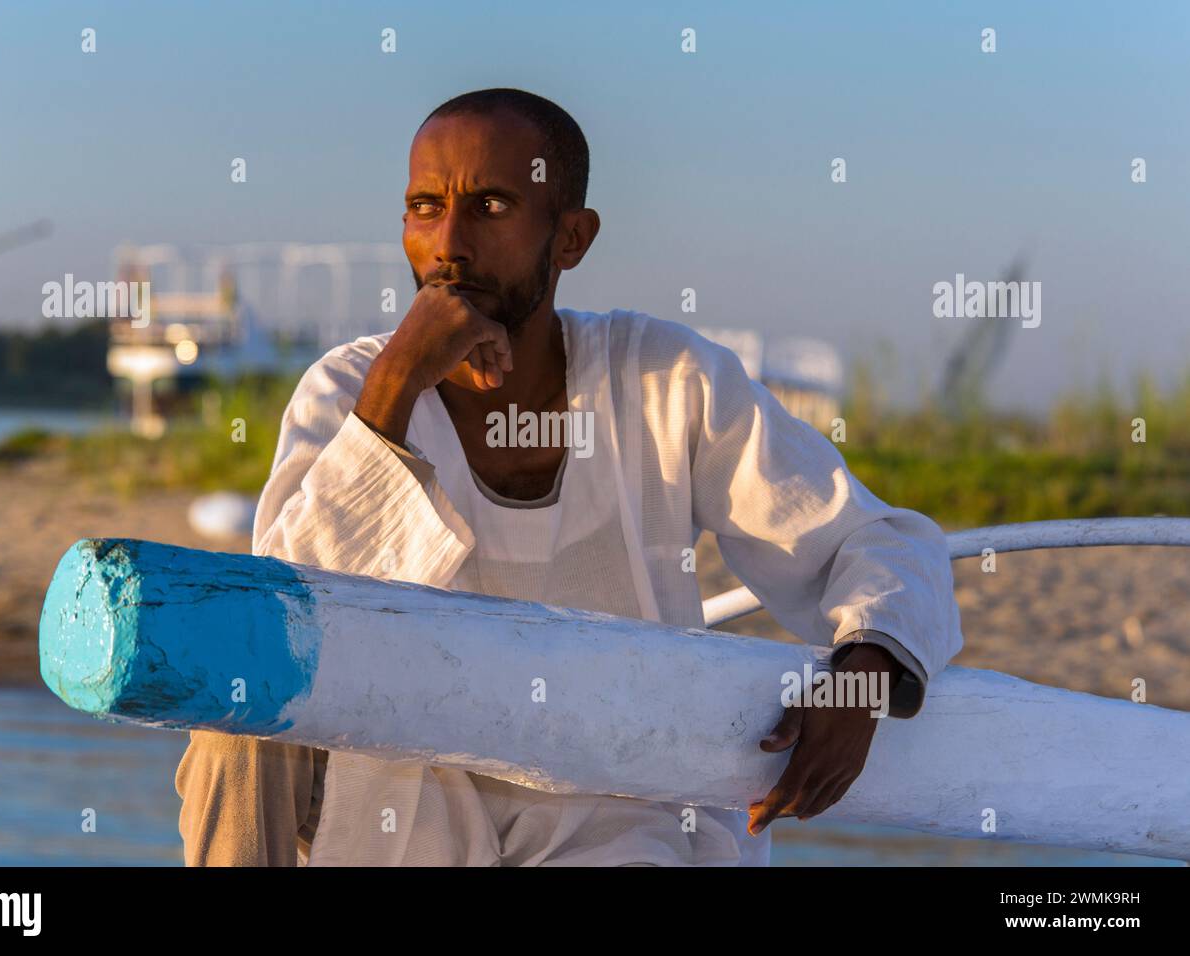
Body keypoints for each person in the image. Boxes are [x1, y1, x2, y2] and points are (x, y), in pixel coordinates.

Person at [175, 87, 963, 866]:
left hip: (613, 816)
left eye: (490, 207)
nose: (449, 243)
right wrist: (394, 389)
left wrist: (866, 676)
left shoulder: (664, 380)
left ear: (570, 238)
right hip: (400, 805)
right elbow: (276, 617)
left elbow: (876, 539)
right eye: (425, 207)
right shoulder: (352, 388)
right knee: (231, 727)